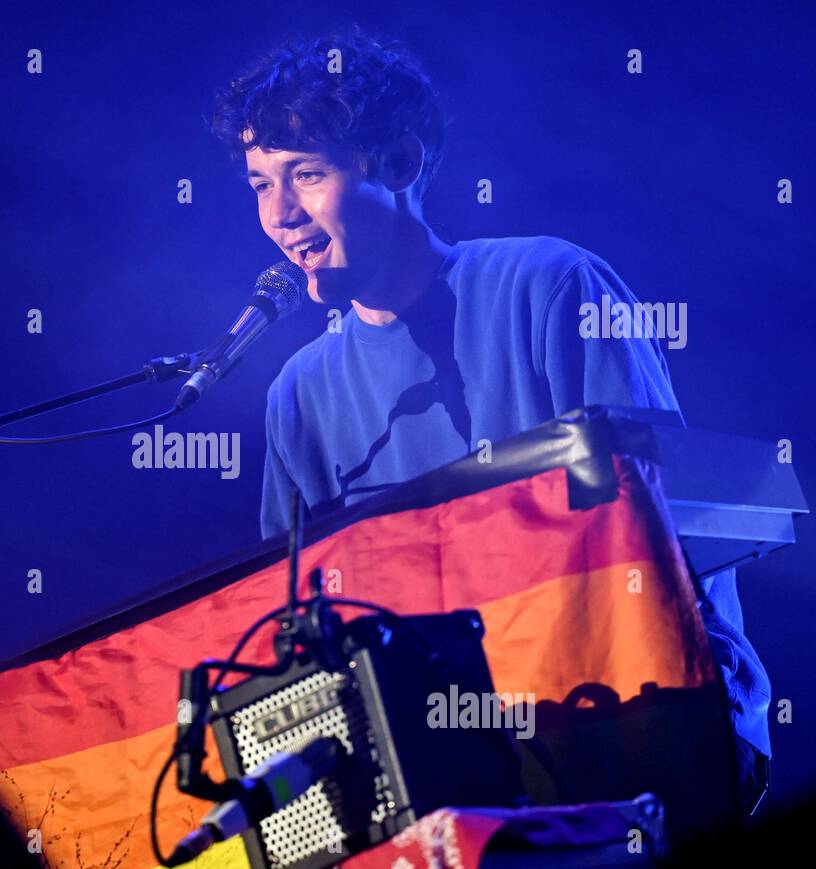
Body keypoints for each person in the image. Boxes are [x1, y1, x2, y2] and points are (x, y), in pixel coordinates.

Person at [209, 25, 770, 815]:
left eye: (305, 173)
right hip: (449, 769)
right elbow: (289, 630)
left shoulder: (550, 283)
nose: (280, 214)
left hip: (642, 715)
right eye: (260, 184)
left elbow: (665, 517)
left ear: (400, 163)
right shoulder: (298, 396)